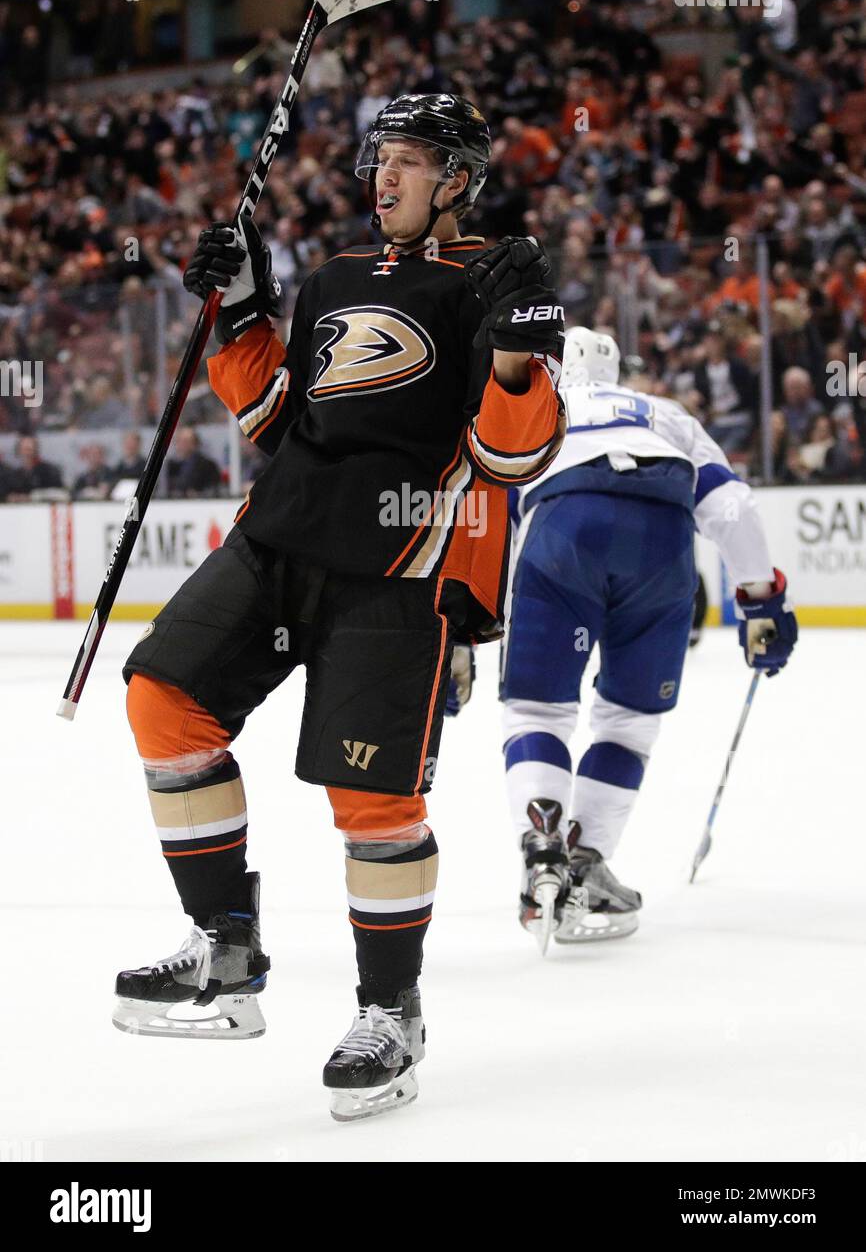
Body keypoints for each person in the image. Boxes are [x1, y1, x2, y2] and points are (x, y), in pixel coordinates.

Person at [113, 93, 565, 1120]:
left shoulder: (497, 279)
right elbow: (276, 414)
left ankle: (389, 1011)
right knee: (162, 700)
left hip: (399, 565)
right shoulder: (331, 279)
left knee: (371, 804)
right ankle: (225, 947)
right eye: (378, 160)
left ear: (456, 178)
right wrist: (238, 310)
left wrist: (510, 354)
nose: (383, 178)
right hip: (277, 534)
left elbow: (511, 455)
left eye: (407, 161)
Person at [499, 327, 798, 954]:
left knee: (538, 709)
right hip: (663, 542)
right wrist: (761, 601)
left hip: (563, 528)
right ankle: (586, 864)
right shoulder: (666, 412)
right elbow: (732, 508)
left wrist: (462, 631)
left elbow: (489, 515)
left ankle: (543, 853)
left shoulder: (530, 405)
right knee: (630, 723)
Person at [166, 426, 223, 497]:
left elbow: (214, 489)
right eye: (179, 441)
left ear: (195, 443)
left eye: (186, 441)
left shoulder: (208, 465)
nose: (181, 444)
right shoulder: (170, 465)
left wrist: (198, 494)